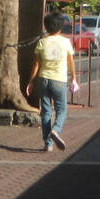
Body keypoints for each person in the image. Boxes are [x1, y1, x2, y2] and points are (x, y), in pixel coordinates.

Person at [26, 12, 77, 152]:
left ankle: (48, 144)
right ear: (60, 27)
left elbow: (36, 64)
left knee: (46, 111)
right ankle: (55, 130)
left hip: (43, 79)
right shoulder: (66, 42)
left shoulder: (42, 42)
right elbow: (71, 62)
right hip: (59, 80)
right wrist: (74, 78)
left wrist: (31, 82)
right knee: (61, 109)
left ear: (46, 27)